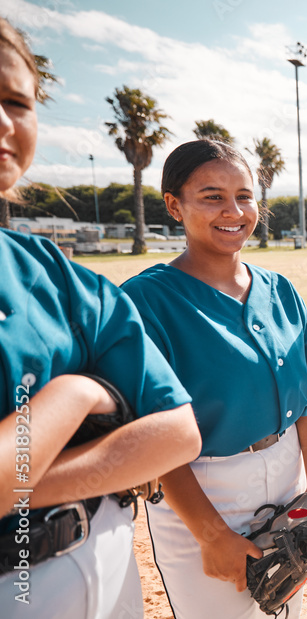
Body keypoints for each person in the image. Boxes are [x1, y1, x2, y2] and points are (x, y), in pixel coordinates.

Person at [0, 18, 202, 618]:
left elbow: (177, 433)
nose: (4, 122)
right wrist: (75, 394)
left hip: (107, 564)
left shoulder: (51, 271)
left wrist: (22, 485)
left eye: (16, 102)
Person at [120, 140, 307, 619]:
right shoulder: (145, 301)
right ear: (174, 205)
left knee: (286, 612)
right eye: (212, 196)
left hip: (289, 481)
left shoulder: (280, 290)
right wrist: (212, 535)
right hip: (204, 492)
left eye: (244, 196)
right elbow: (152, 436)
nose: (233, 211)